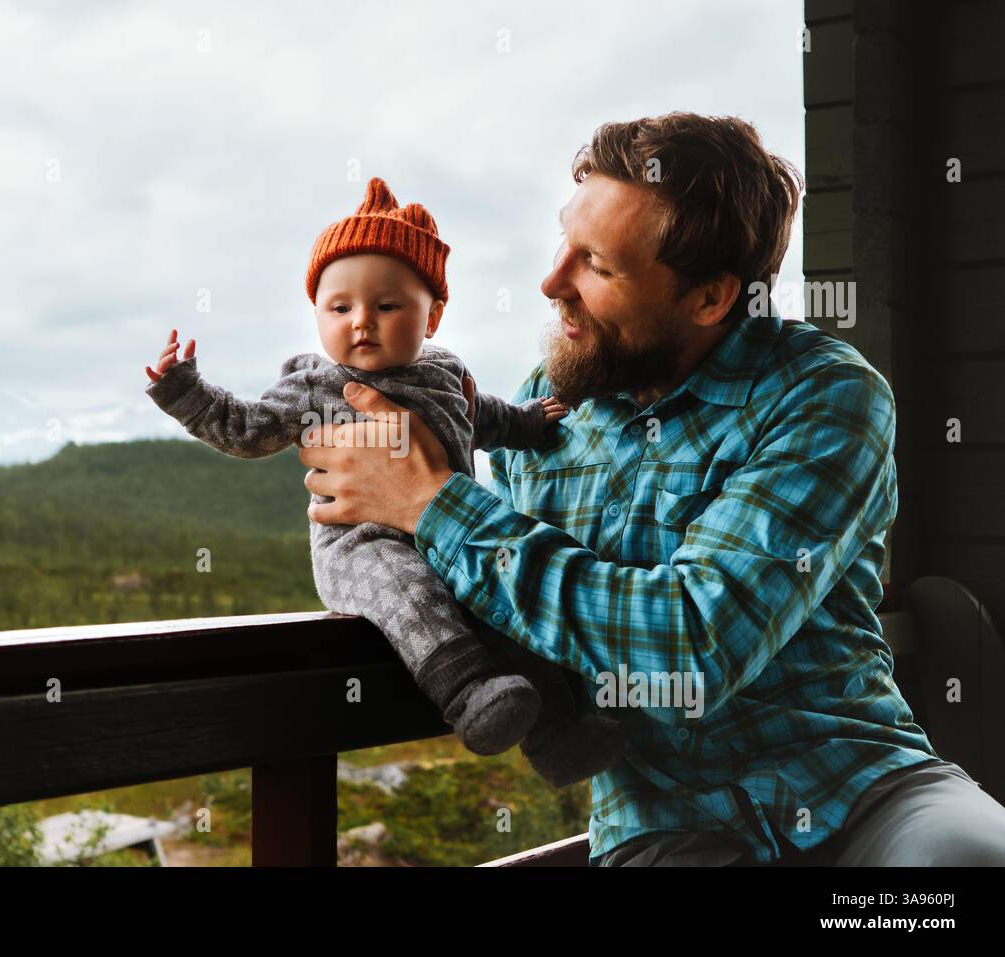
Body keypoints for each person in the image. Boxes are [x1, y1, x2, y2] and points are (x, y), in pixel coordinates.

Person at [299, 112, 1005, 866]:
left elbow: (693, 643)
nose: (551, 282)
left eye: (596, 266)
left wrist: (431, 501)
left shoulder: (825, 395)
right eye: (563, 240)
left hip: (867, 792)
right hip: (662, 822)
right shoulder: (546, 408)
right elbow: (501, 595)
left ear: (708, 297)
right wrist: (376, 534)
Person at [143, 176, 624, 786]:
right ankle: (469, 697)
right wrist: (184, 391)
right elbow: (247, 429)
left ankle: (562, 737)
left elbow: (488, 419)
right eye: (340, 308)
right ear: (316, 313)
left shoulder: (448, 374)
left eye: (388, 306)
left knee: (505, 612)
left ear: (434, 315)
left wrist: (532, 422)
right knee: (409, 593)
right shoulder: (312, 385)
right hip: (361, 546)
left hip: (452, 534)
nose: (362, 322)